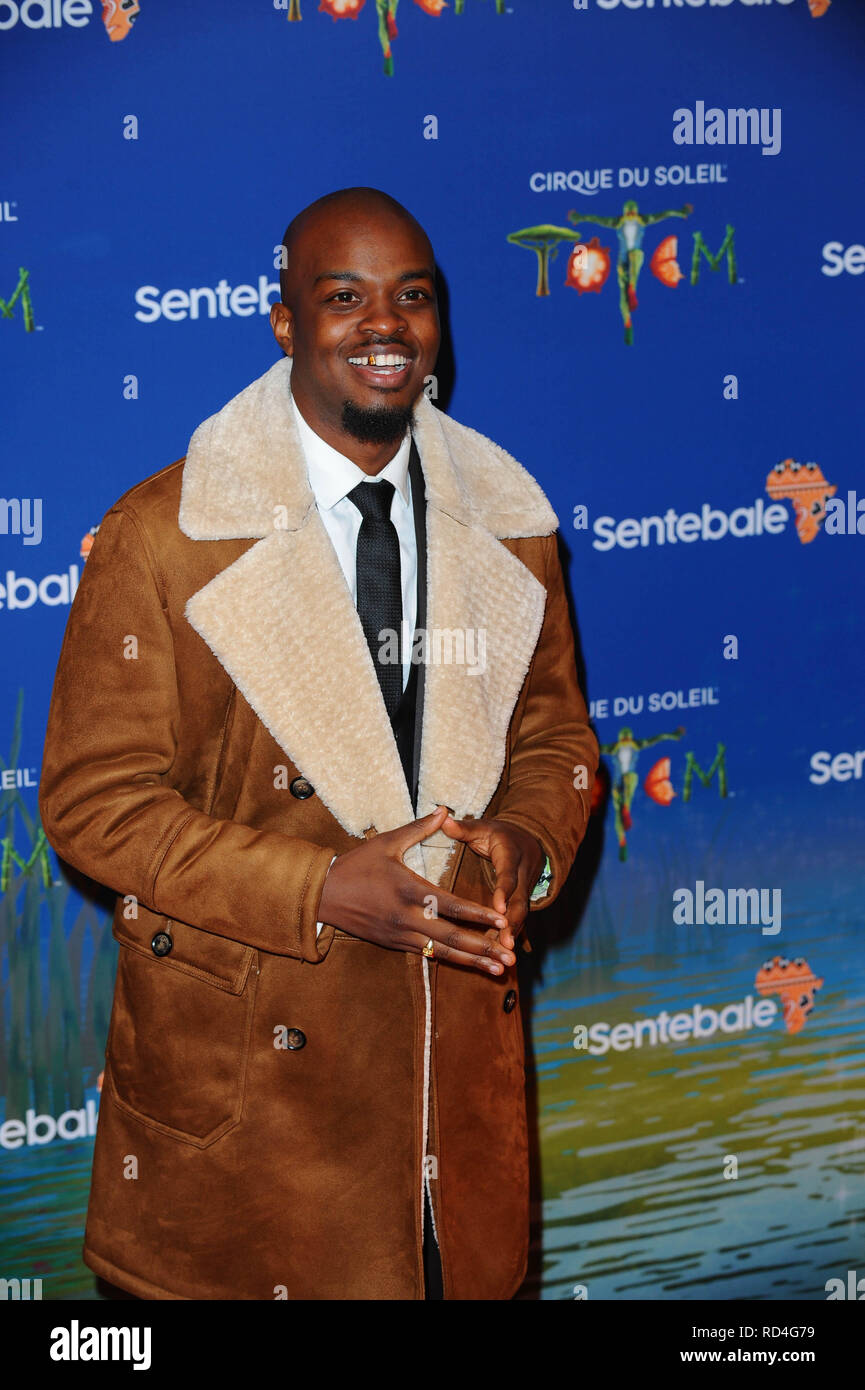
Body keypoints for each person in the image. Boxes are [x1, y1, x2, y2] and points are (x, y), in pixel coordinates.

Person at [39, 187, 598, 1301]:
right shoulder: (164, 536)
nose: (383, 326)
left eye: (412, 297)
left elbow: (553, 729)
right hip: (251, 1123)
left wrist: (526, 842)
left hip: (450, 1107)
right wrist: (319, 886)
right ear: (285, 319)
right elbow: (94, 804)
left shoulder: (508, 516)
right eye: (343, 297)